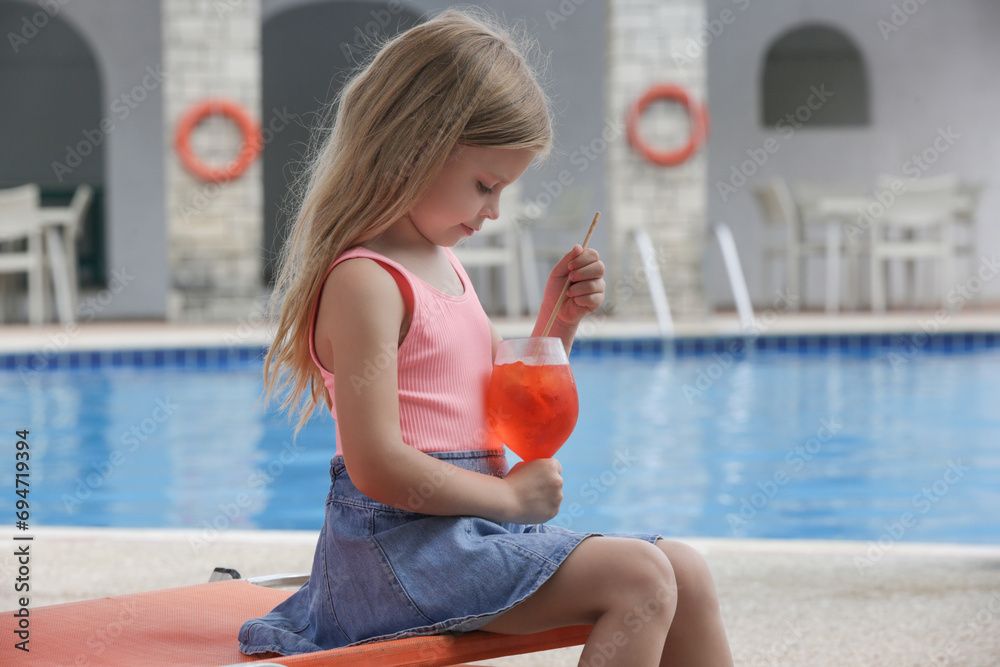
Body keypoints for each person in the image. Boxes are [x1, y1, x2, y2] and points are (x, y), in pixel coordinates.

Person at [239, 7, 733, 666]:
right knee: (640, 578)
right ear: (414, 145)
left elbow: (493, 413)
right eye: (485, 184)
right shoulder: (367, 282)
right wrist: (506, 497)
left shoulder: (445, 266)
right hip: (398, 551)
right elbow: (377, 463)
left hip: (461, 533)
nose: (494, 210)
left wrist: (554, 329)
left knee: (686, 572)